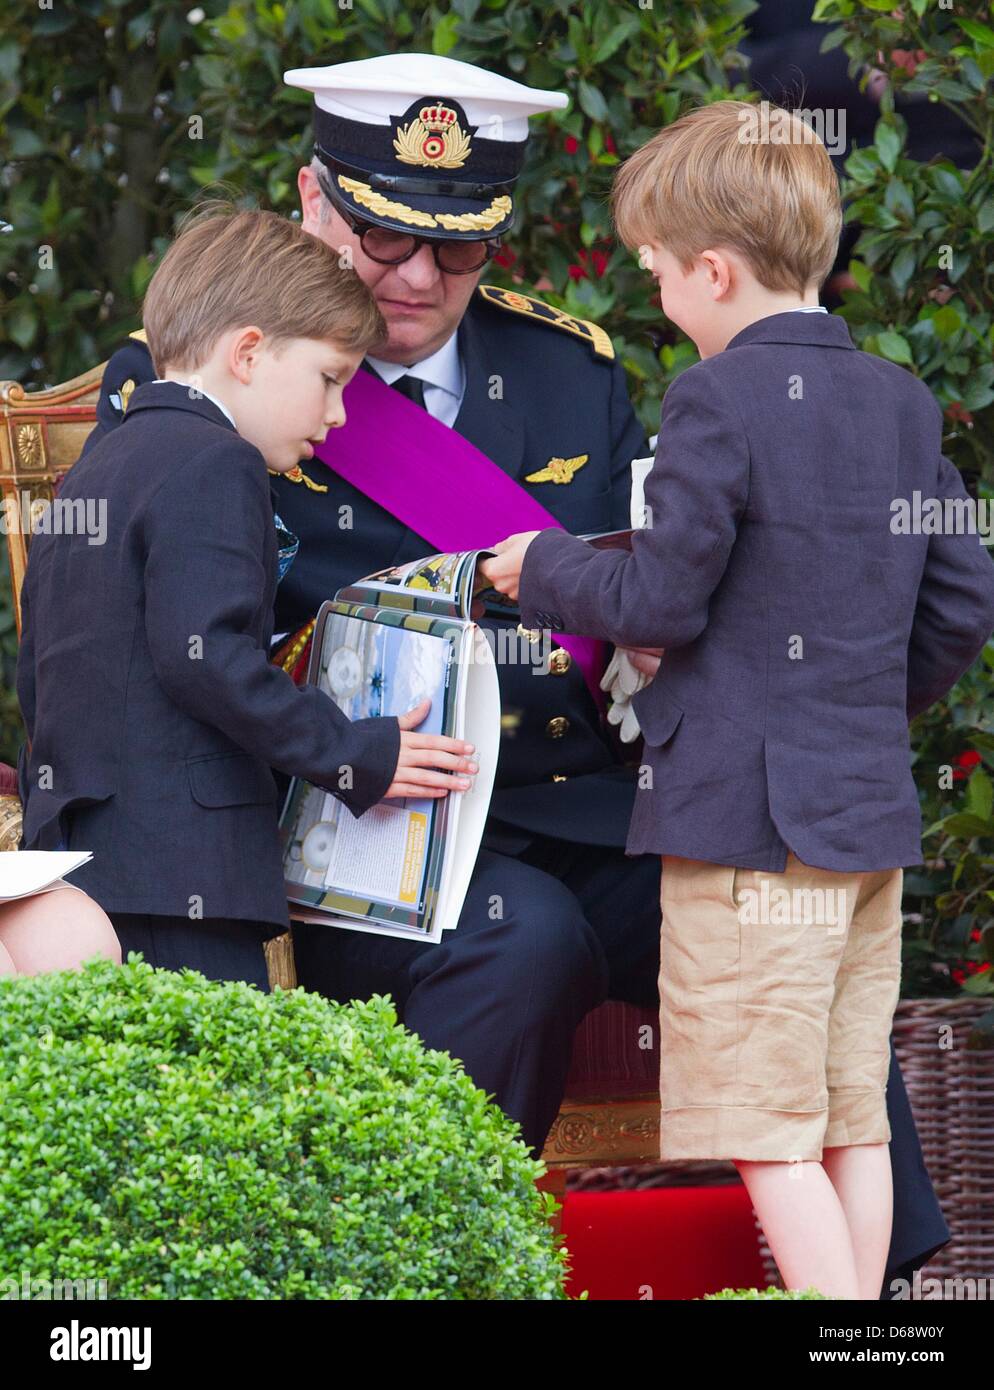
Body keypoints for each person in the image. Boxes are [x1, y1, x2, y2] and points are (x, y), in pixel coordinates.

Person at [83, 54, 951, 1294]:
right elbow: (148, 635)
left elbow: (651, 576)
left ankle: (886, 1287)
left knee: (771, 899)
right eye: (386, 237)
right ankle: (418, 1266)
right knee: (525, 938)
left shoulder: (568, 371)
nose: (420, 279)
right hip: (368, 827)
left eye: (461, 248)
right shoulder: (203, 372)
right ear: (311, 198)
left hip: (586, 797)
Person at [480, 100, 994, 1298]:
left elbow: (662, 598)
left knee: (768, 1134)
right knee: (850, 1117)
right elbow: (963, 604)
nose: (656, 295)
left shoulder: (715, 399)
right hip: (862, 816)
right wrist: (864, 706)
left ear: (712, 269)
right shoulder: (902, 399)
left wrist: (540, 564)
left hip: (744, 825)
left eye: (656, 273)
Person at [16, 204, 477, 990]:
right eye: (330, 380)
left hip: (89, 861)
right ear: (250, 353)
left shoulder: (102, 463)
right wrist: (356, 753)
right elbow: (209, 661)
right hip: (184, 871)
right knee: (209, 1105)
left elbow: (40, 669)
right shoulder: (218, 462)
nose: (337, 416)